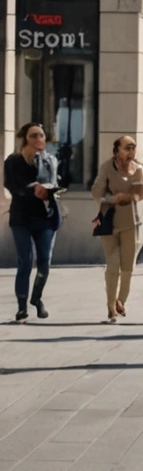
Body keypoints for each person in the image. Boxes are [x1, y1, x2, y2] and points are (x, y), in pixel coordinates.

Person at [89, 136, 143, 323]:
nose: (131, 152)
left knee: (128, 267)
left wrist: (131, 196)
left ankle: (121, 301)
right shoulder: (107, 167)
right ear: (116, 152)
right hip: (109, 222)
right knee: (113, 265)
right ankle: (111, 307)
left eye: (133, 148)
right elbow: (96, 191)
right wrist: (112, 199)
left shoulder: (138, 169)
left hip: (130, 222)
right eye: (127, 148)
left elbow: (141, 193)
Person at [6, 123, 61, 323]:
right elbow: (11, 185)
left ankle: (36, 298)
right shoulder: (13, 161)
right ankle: (22, 307)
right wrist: (32, 188)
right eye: (34, 136)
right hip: (21, 217)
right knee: (25, 262)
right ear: (25, 139)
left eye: (41, 136)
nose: (39, 139)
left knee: (45, 263)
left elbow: (55, 182)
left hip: (45, 217)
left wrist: (50, 189)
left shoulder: (50, 160)